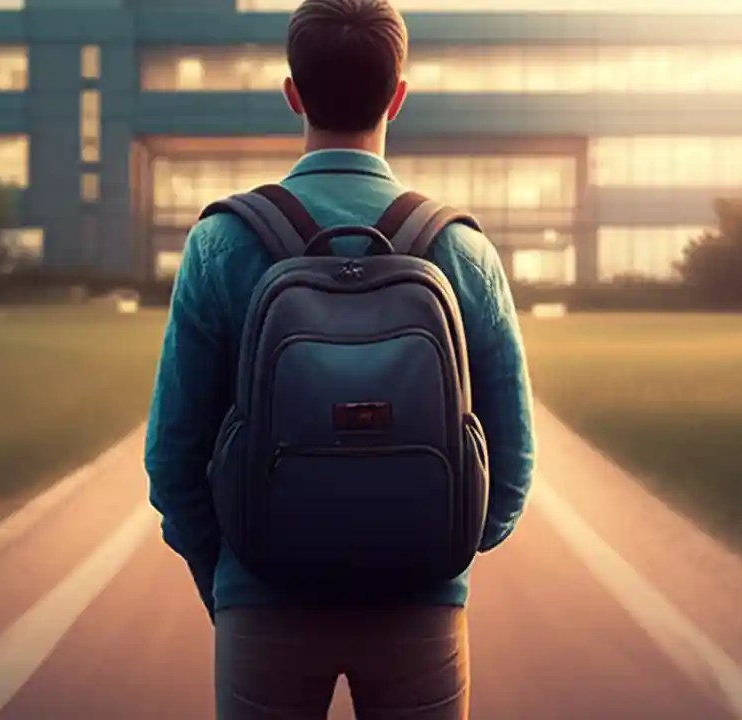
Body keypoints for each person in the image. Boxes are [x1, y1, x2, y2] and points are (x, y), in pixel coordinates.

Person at [145, 0, 535, 717]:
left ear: (292, 92)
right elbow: (512, 465)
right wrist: (434, 552)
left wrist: (231, 578)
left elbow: (172, 462)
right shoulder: (463, 249)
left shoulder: (221, 243)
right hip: (421, 609)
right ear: (398, 96)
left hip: (263, 604)